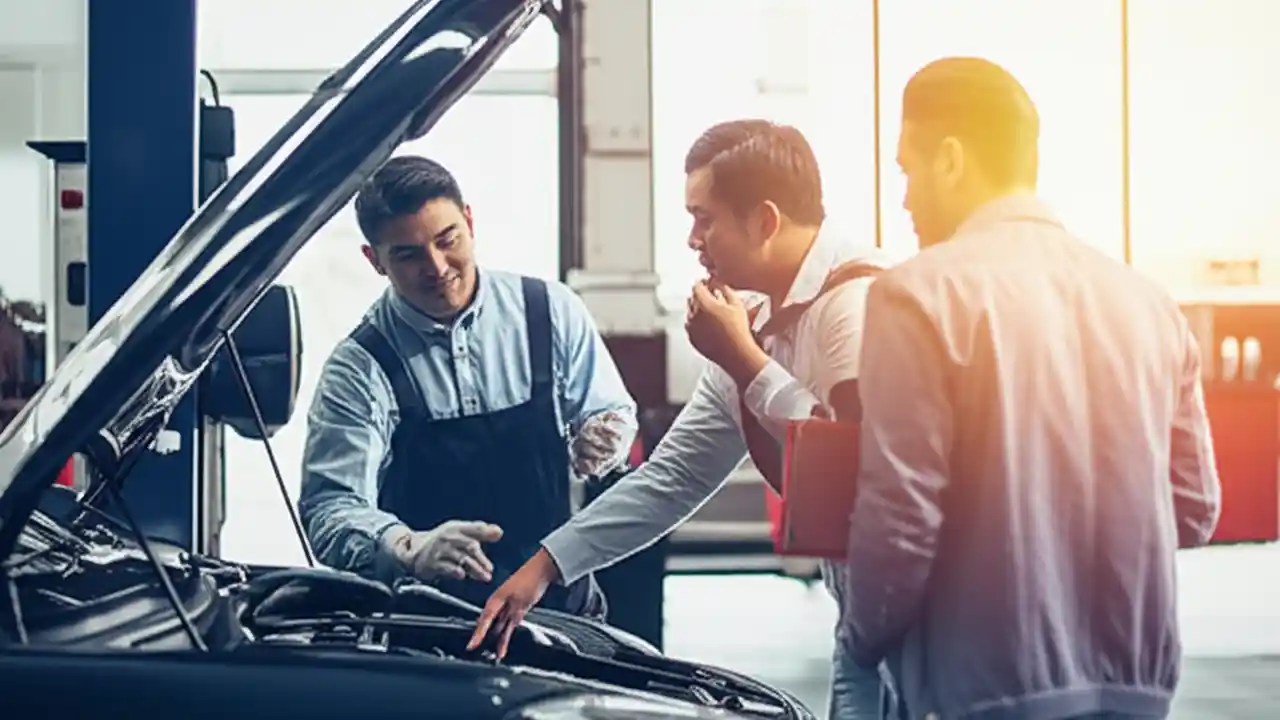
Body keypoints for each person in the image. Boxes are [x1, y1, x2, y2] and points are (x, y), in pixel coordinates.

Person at [469, 119, 895, 719]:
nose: (693, 239)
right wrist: (543, 567)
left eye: (705, 218)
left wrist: (745, 362)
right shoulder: (749, 316)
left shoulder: (858, 304)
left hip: (927, 625)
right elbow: (674, 478)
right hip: (860, 620)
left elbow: (859, 462)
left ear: (766, 220)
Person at [841, 57, 1222, 720]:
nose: (903, 198)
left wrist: (861, 637)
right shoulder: (1149, 304)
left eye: (907, 170)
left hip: (980, 688)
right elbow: (1194, 507)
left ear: (952, 160)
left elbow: (901, 520)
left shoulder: (919, 296)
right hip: (1138, 688)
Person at [297, 155, 638, 619]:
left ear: (470, 222)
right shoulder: (359, 367)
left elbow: (608, 412)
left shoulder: (550, 312)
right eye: (408, 254)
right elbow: (330, 506)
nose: (436, 267)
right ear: (374, 260)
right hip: (432, 626)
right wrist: (408, 546)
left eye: (447, 239)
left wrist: (608, 435)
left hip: (561, 608)